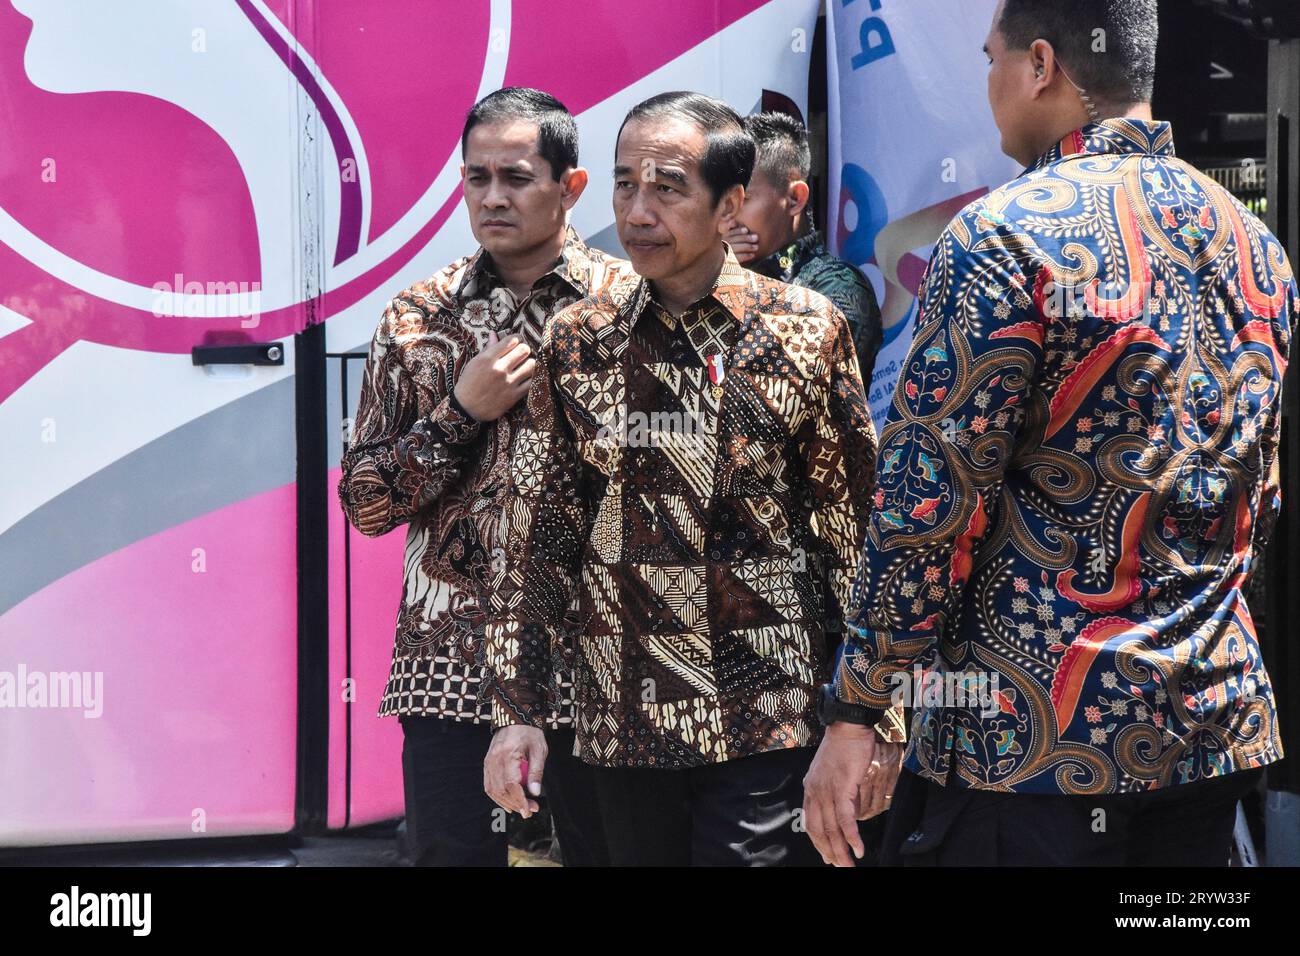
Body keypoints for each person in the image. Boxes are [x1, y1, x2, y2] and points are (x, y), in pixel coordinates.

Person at [805, 0, 1296, 867]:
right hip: (1207, 725)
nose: (989, 83)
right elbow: (1260, 493)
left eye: (991, 59)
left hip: (1030, 745)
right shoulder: (1254, 242)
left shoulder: (1004, 234)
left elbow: (932, 498)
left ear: (1041, 65)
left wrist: (859, 707)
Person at [481, 91, 904, 867]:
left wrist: (875, 715)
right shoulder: (580, 338)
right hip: (620, 724)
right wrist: (518, 708)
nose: (638, 211)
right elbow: (542, 535)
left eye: (668, 187)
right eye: (624, 184)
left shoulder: (804, 329)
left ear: (730, 203)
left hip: (768, 717)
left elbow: (854, 530)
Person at [338, 87, 626, 867]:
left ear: (570, 187)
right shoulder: (417, 316)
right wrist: (461, 411)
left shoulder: (626, 310)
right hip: (448, 669)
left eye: (517, 177)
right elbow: (364, 502)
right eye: (477, 178)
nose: (493, 196)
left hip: (595, 662)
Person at [726, 111, 884, 385]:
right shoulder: (717, 271)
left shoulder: (838, 288)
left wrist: (723, 283)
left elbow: (777, 394)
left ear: (795, 198)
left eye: (743, 200)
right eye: (720, 201)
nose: (726, 216)